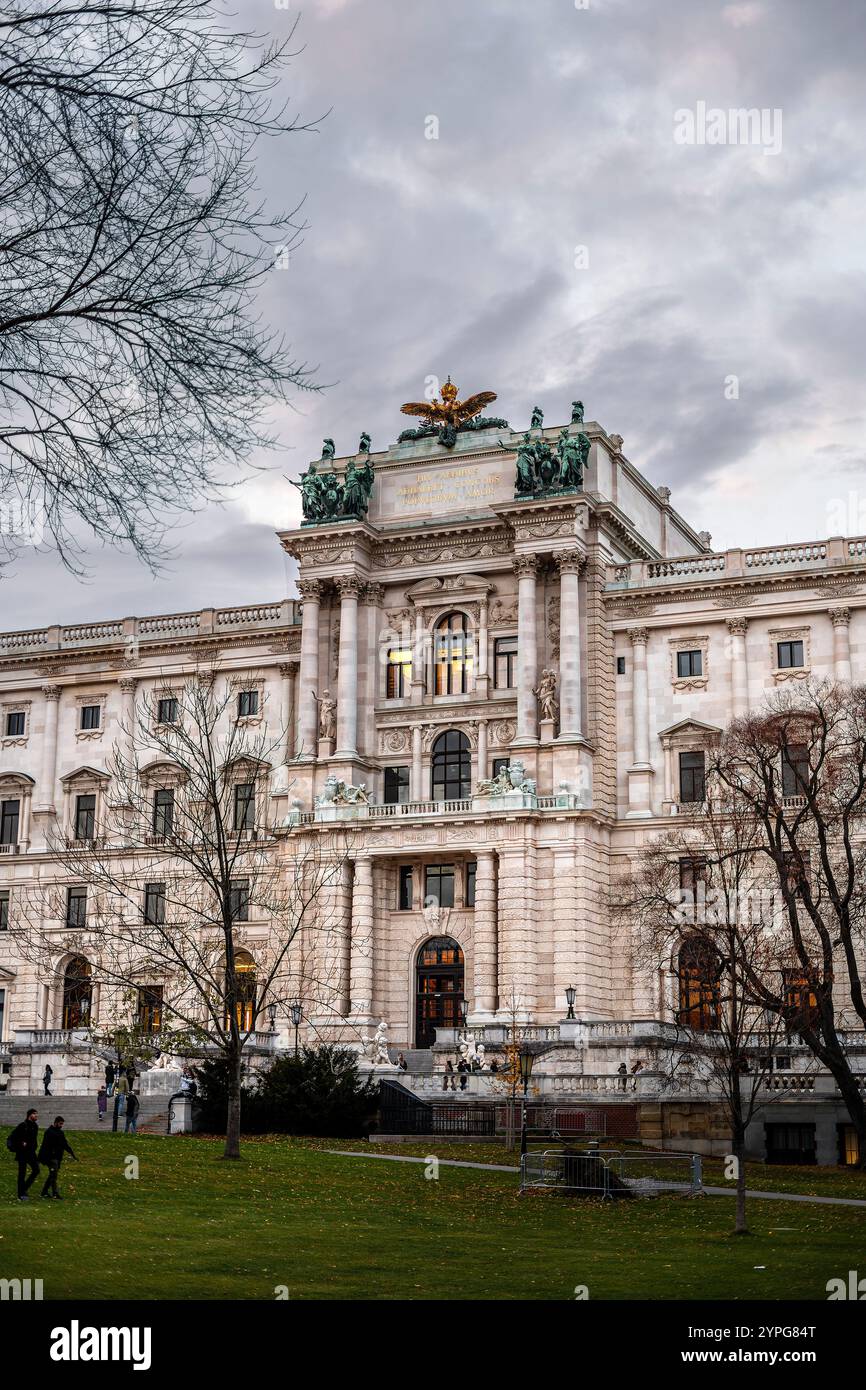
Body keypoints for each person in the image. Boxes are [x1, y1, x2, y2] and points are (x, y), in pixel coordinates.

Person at [38, 1117, 76, 1199]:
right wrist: (41, 1157)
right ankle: (55, 1193)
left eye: (62, 1124)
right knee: (53, 1175)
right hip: (51, 1158)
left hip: (57, 1157)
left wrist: (72, 1153)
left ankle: (44, 1192)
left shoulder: (60, 1133)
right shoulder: (49, 1132)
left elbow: (65, 1144)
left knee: (52, 1175)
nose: (61, 1125)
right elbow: (45, 1146)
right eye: (60, 1124)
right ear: (55, 1123)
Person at [10, 1107, 40, 1200]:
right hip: (22, 1153)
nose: (36, 1116)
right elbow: (13, 1137)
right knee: (22, 1174)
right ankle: (21, 1194)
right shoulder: (23, 1125)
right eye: (35, 1114)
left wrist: (35, 1146)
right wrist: (21, 1143)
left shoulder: (35, 1126)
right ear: (30, 1115)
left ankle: (24, 1189)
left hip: (31, 1153)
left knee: (36, 1170)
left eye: (36, 1114)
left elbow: (34, 1139)